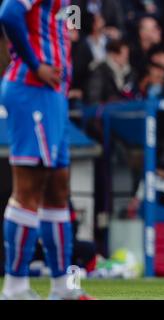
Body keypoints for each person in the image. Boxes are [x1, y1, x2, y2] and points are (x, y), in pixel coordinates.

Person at [0, 0, 93, 299]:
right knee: (28, 188)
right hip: (31, 89)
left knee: (57, 188)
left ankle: (62, 287)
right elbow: (9, 13)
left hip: (52, 96)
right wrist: (36, 64)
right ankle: (14, 287)